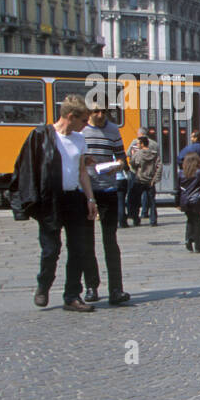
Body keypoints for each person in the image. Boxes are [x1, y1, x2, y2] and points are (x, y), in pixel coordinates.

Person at [8, 95, 99, 312]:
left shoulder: (79, 139)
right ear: (70, 116)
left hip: (74, 198)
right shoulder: (43, 136)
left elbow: (81, 172)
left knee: (78, 248)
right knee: (51, 249)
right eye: (84, 120)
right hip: (51, 200)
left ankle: (72, 295)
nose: (86, 125)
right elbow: (27, 168)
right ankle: (43, 285)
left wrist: (90, 198)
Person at [78, 98, 132, 306]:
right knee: (86, 240)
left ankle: (116, 289)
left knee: (110, 240)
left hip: (108, 188)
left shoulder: (113, 130)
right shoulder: (81, 131)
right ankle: (91, 286)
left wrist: (119, 165)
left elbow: (121, 158)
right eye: (96, 111)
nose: (101, 115)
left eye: (105, 112)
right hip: (86, 190)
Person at [127, 133, 161, 226]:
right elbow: (159, 166)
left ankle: (136, 220)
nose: (137, 145)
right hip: (150, 181)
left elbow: (132, 164)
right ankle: (153, 220)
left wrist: (133, 156)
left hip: (139, 180)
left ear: (142, 144)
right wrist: (155, 179)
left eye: (138, 143)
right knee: (152, 202)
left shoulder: (138, 154)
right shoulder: (154, 154)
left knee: (136, 201)